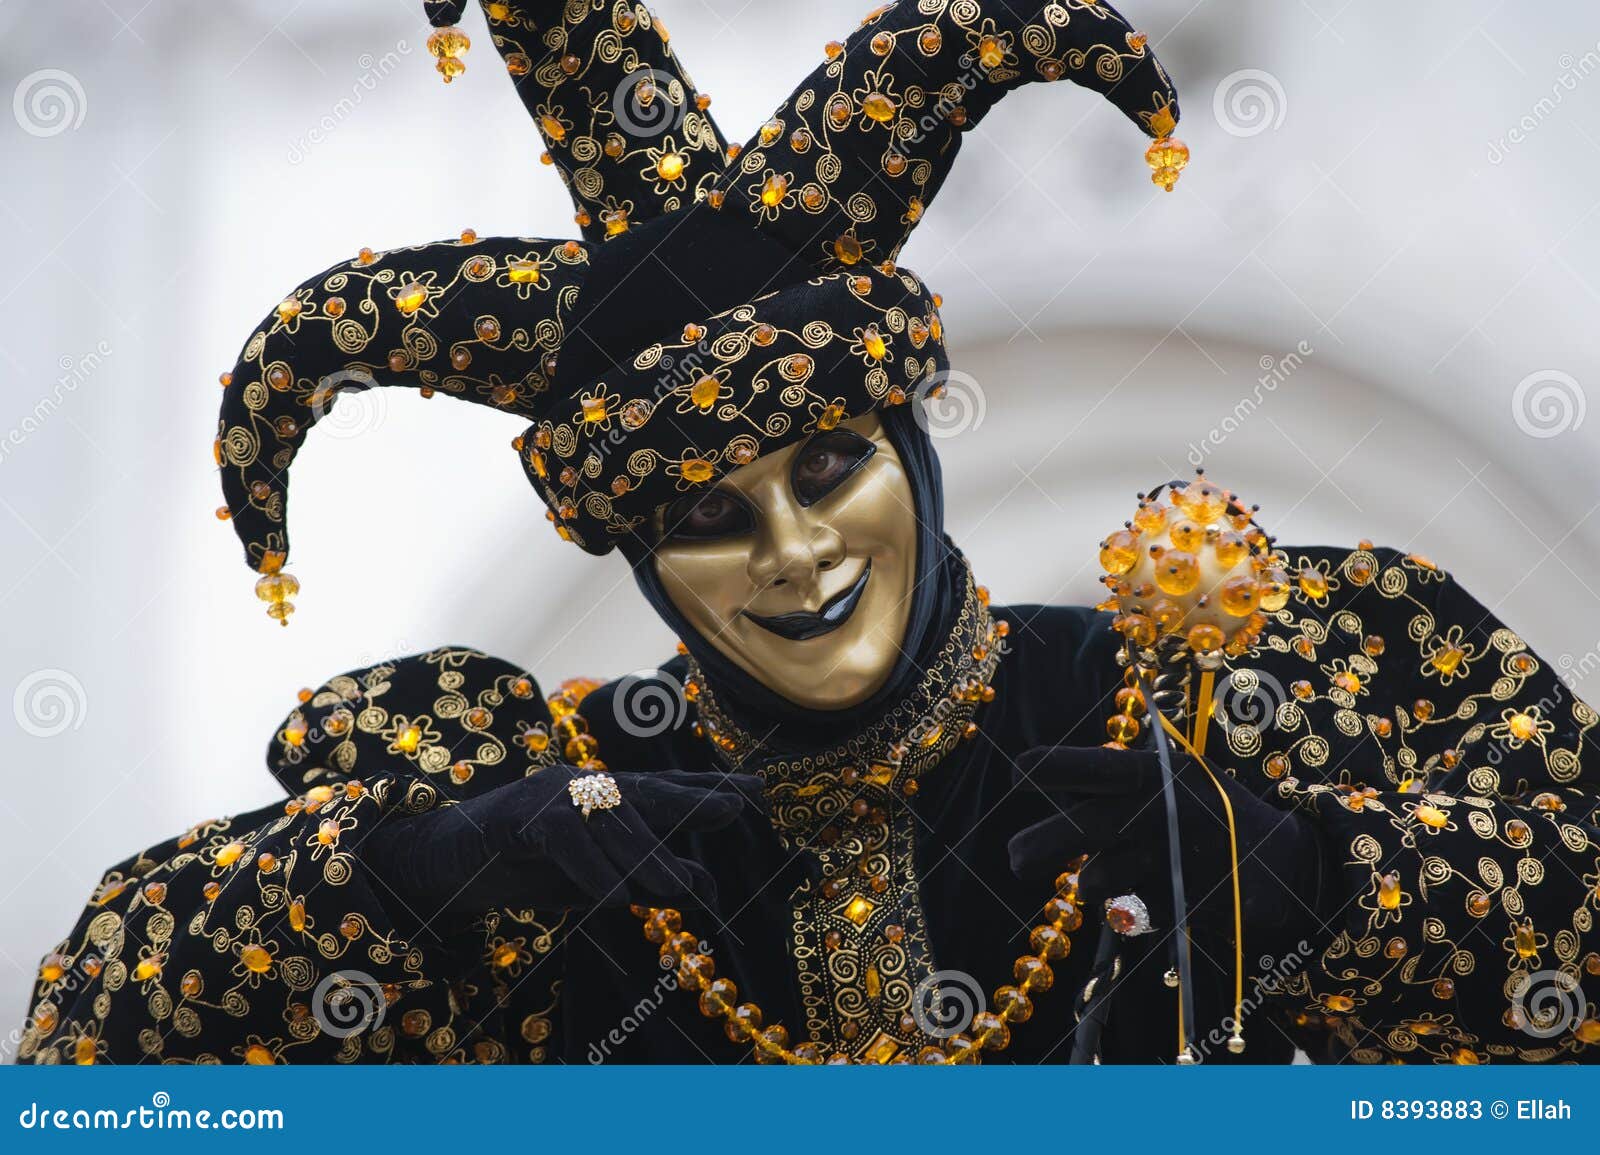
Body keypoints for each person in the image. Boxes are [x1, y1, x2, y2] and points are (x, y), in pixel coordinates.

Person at [19, 0, 1599, 1066]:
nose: (790, 549)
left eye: (831, 467)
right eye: (707, 516)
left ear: (914, 452)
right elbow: (93, 1055)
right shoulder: (565, 812)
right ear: (638, 559)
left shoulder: (1226, 694)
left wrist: (1329, 873)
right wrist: (414, 877)